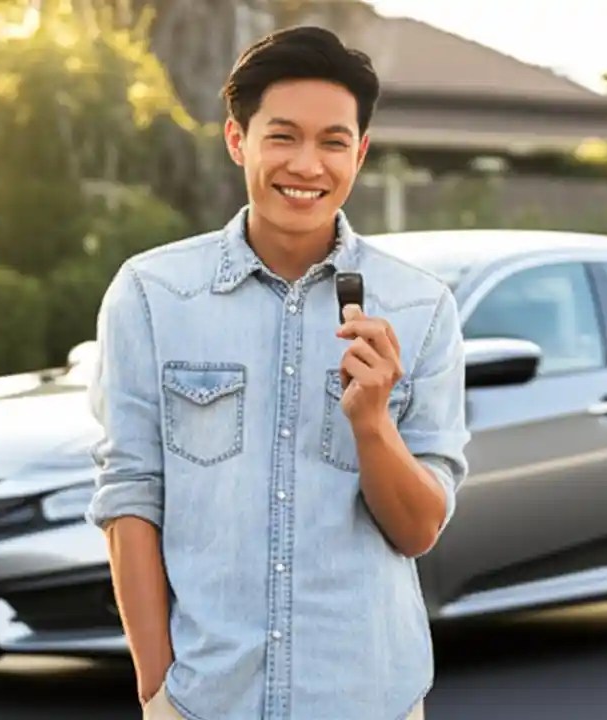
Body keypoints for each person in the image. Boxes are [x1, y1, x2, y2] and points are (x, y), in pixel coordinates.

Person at [85, 25, 470, 720]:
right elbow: (130, 498)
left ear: (361, 152)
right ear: (238, 140)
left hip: (370, 701)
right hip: (206, 703)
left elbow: (418, 531)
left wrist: (373, 421)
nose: (307, 165)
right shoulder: (152, 294)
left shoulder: (421, 307)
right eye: (282, 136)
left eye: (332, 142)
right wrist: (156, 691)